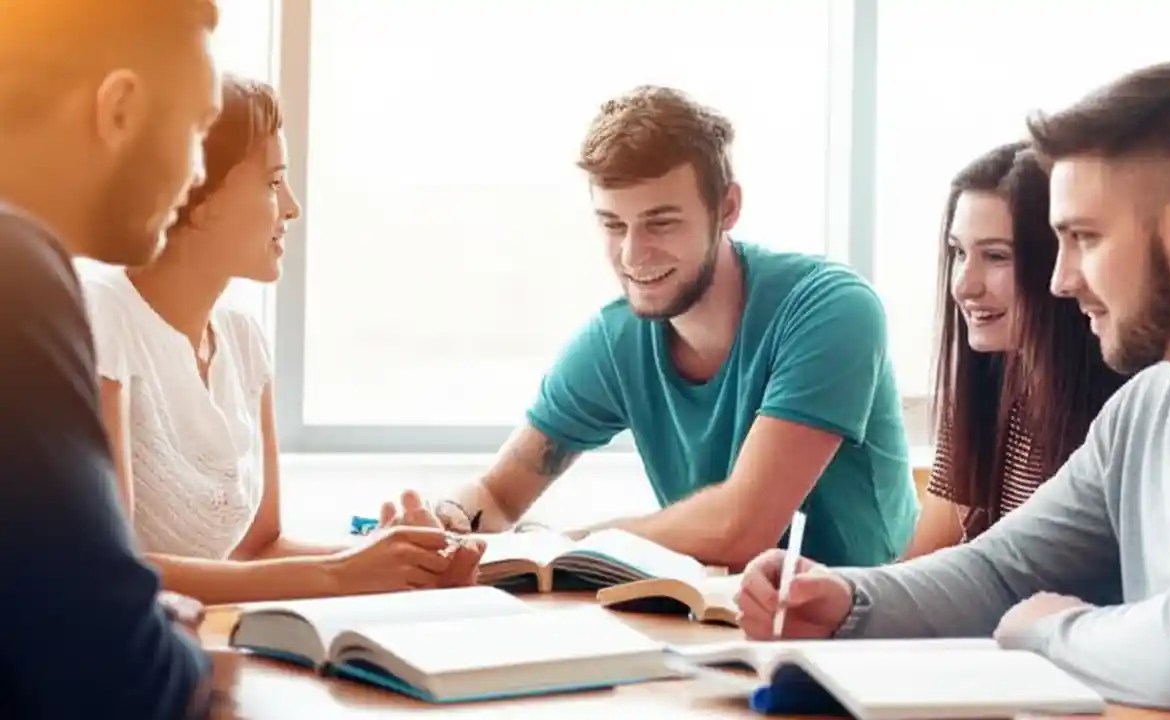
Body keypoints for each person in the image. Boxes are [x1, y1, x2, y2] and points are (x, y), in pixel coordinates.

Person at [735, 58, 1170, 719]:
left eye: (1084, 238)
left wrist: (1044, 633)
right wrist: (848, 601)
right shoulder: (1142, 412)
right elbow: (1002, 570)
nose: (1061, 279)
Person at [432, 85, 919, 570]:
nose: (632, 256)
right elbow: (495, 497)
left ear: (727, 208)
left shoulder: (832, 309)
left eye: (660, 223)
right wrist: (445, 523)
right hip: (719, 619)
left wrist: (562, 547)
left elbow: (741, 529)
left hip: (867, 625)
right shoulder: (615, 340)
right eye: (613, 225)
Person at [83, 74, 484, 605]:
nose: (291, 207)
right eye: (274, 182)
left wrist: (408, 562)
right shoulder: (101, 321)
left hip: (214, 644)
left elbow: (259, 549)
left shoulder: (243, 338)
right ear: (197, 195)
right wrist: (341, 574)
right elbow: (112, 569)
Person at [0, 1, 232, 717]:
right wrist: (168, 640)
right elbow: (115, 675)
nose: (199, 172)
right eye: (198, 129)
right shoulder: (17, 271)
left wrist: (134, 620)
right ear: (120, 108)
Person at [902, 142, 1127, 559]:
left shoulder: (1126, 411)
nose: (966, 285)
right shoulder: (982, 385)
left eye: (996, 256)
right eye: (958, 253)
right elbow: (924, 559)